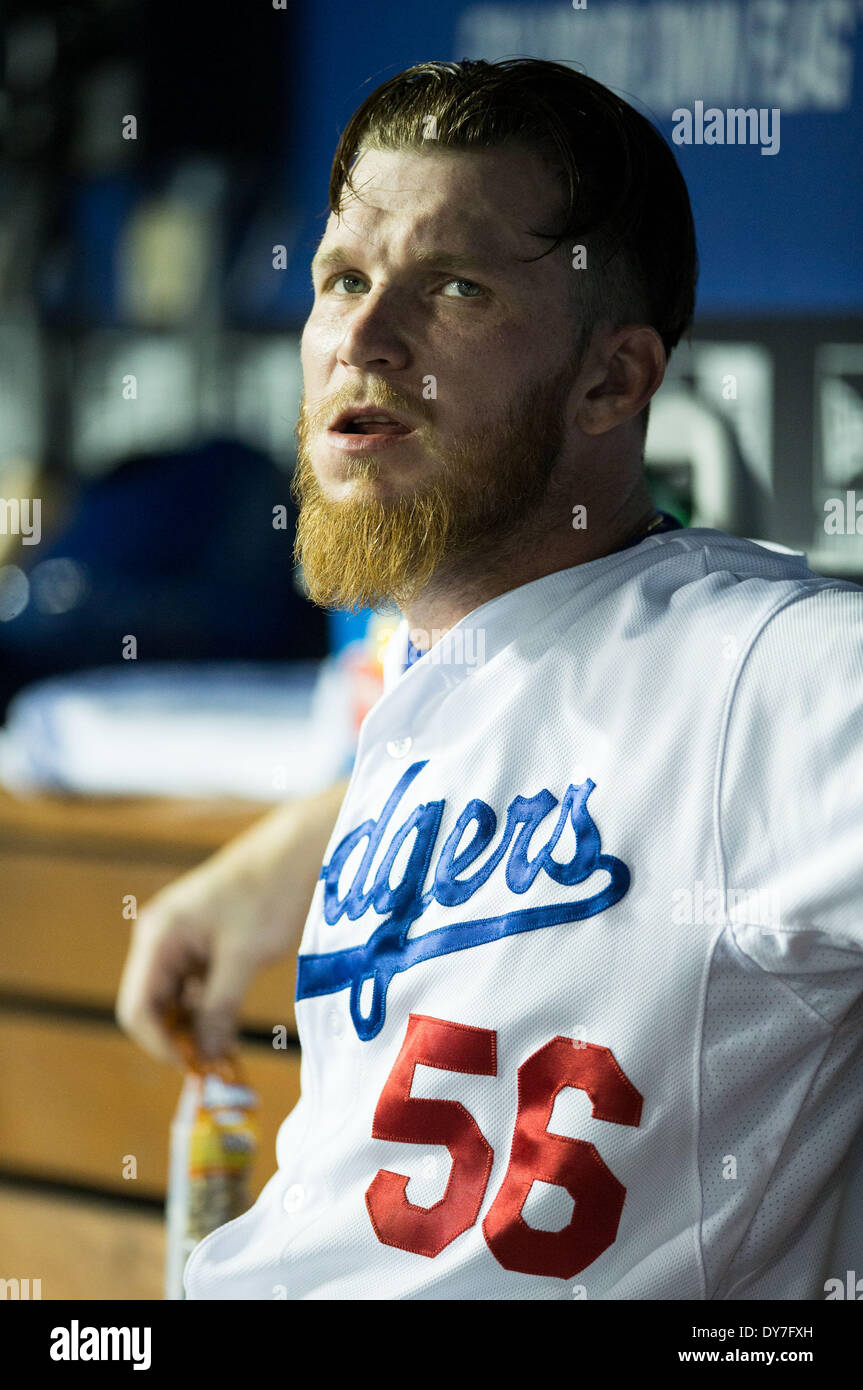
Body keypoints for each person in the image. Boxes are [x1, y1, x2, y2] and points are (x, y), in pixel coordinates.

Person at [117, 58, 863, 1300]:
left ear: (610, 380)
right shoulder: (446, 667)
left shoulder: (762, 669)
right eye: (343, 278)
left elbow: (701, 733)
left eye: (452, 286)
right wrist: (290, 848)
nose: (360, 337)